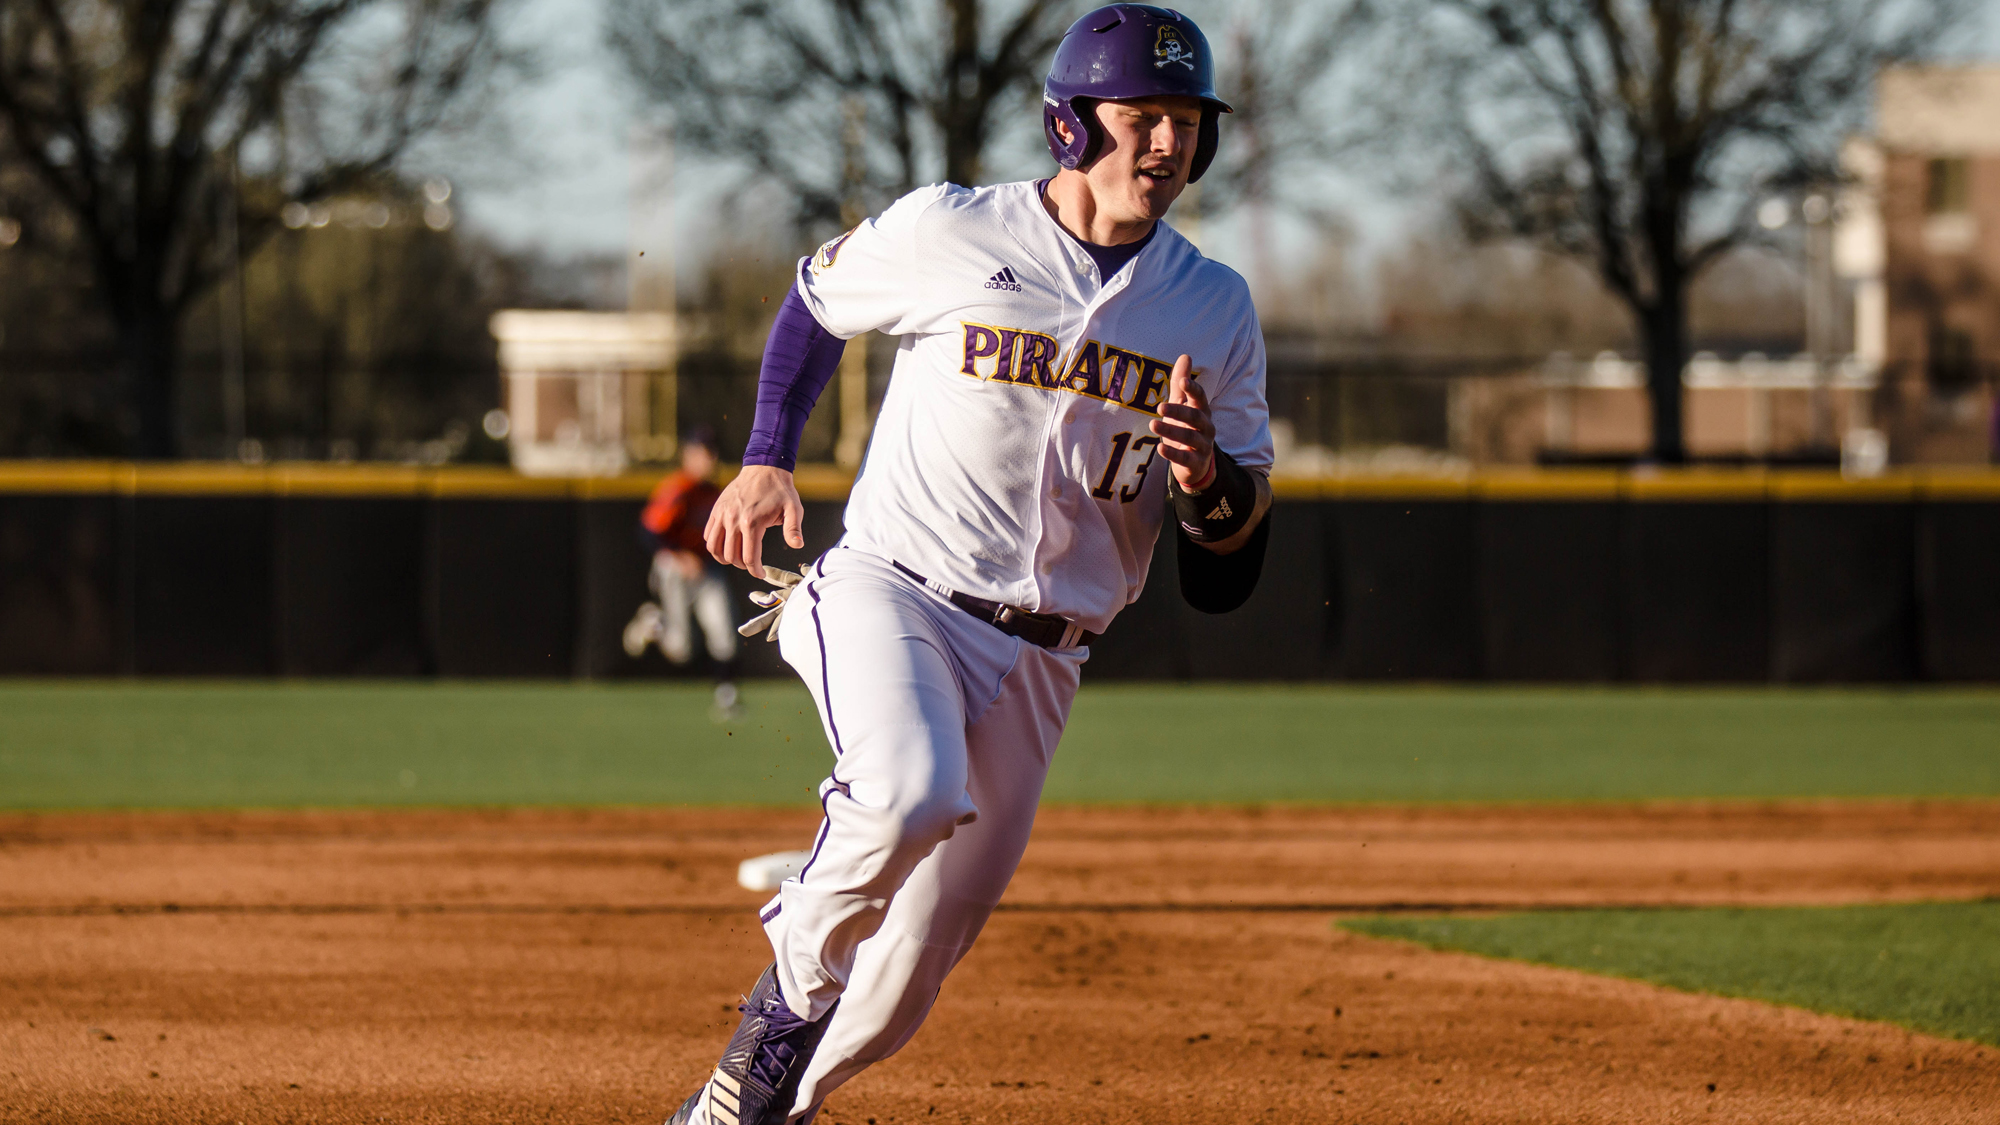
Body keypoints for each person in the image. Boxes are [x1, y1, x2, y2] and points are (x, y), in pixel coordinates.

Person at [669, 7, 1272, 1123]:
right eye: (1142, 116)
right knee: (903, 793)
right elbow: (813, 301)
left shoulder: (1214, 305)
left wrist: (1207, 485)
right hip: (895, 589)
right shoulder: (950, 227)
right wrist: (763, 459)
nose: (1166, 144)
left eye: (1187, 122)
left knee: (901, 989)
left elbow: (1228, 565)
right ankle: (774, 1023)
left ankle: (735, 1117)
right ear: (1069, 124)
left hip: (1049, 654)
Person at [624, 428, 740, 715]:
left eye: (711, 452)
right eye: (702, 452)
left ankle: (727, 699)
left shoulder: (713, 491)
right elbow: (648, 532)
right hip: (674, 568)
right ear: (687, 455)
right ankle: (655, 621)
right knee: (681, 649)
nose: (709, 459)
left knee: (724, 631)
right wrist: (679, 557)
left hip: (705, 568)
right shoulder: (678, 487)